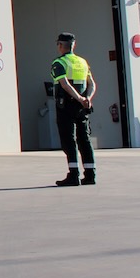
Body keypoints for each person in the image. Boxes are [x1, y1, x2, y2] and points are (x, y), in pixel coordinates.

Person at [51, 32, 98, 186]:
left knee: (69, 140)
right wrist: (87, 99)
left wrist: (78, 98)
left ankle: (73, 175)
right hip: (82, 107)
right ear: (74, 45)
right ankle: (90, 175)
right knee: (84, 139)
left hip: (66, 106)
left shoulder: (59, 63)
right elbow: (91, 84)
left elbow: (64, 84)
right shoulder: (83, 62)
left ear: (60, 45)